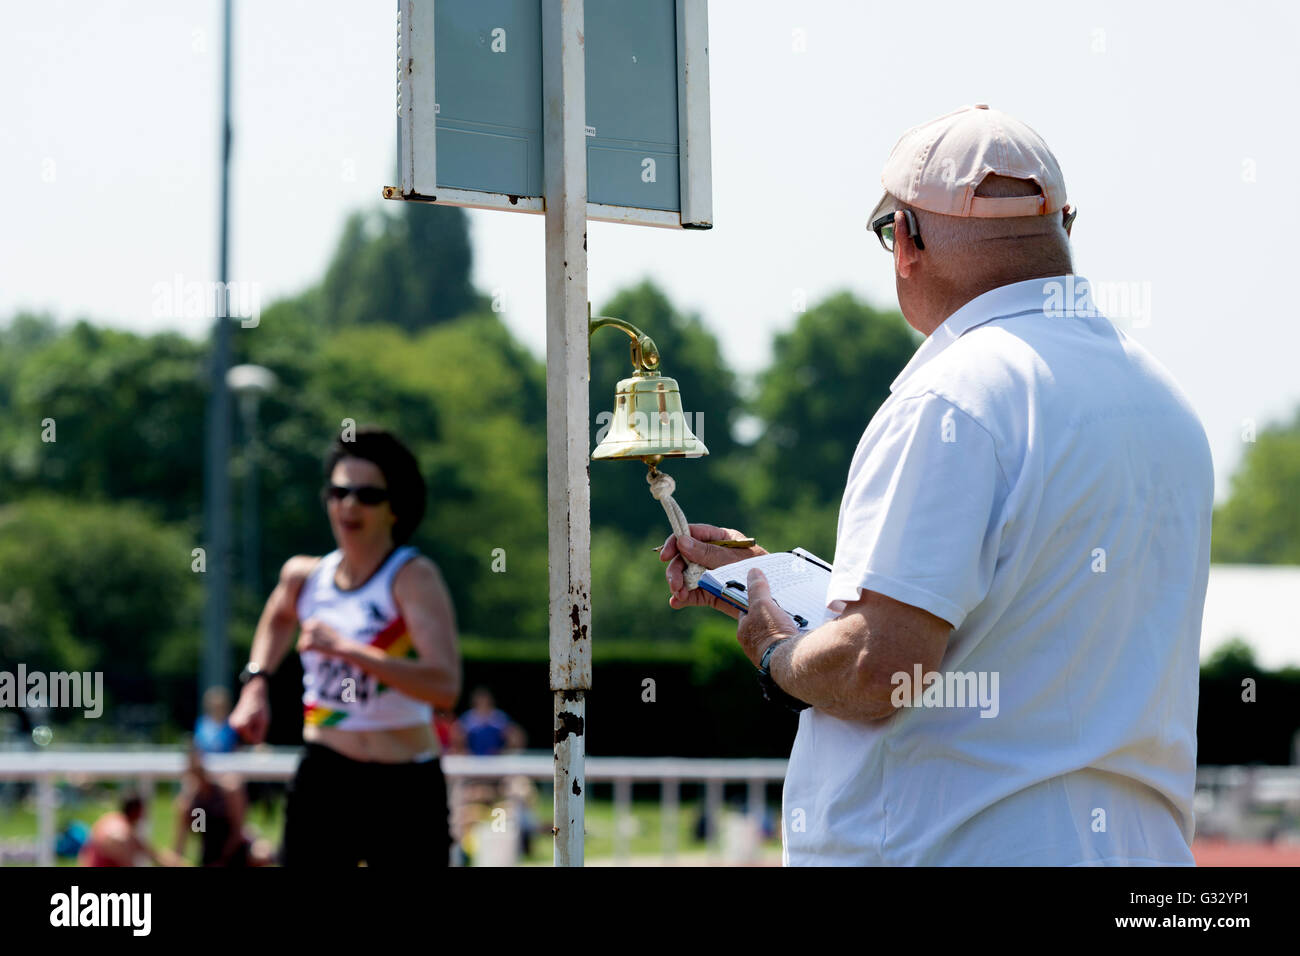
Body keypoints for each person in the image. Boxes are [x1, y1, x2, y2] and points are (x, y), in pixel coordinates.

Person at [660, 105, 1213, 866]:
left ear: (907, 240)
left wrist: (774, 653)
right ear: (1065, 226)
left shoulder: (953, 396)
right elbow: (1003, 624)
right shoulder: (1165, 400)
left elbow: (880, 669)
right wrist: (773, 579)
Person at [228, 427, 461, 866]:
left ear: (395, 507)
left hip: (404, 787)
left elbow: (444, 686)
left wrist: (349, 650)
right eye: (339, 492)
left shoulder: (412, 578)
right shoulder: (304, 577)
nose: (349, 505)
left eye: (367, 495)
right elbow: (277, 619)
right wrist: (256, 684)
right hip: (325, 778)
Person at [172, 744, 274, 866]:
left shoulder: (229, 790)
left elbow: (237, 830)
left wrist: (224, 859)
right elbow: (181, 845)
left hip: (237, 847)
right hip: (210, 854)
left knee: (263, 853)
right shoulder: (189, 802)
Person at [79, 793, 187, 867]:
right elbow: (117, 839)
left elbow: (155, 855)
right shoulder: (121, 831)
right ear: (137, 811)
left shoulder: (110, 819)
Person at [455, 687, 525, 756]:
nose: (483, 703)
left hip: (496, 757)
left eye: (485, 700)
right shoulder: (468, 717)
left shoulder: (499, 716)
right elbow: (456, 737)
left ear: (490, 701)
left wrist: (504, 751)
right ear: (474, 702)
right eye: (480, 701)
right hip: (473, 757)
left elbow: (517, 736)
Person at [194, 686, 239, 754]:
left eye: (220, 707)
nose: (217, 710)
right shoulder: (201, 722)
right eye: (214, 707)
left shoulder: (232, 724)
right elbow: (198, 745)